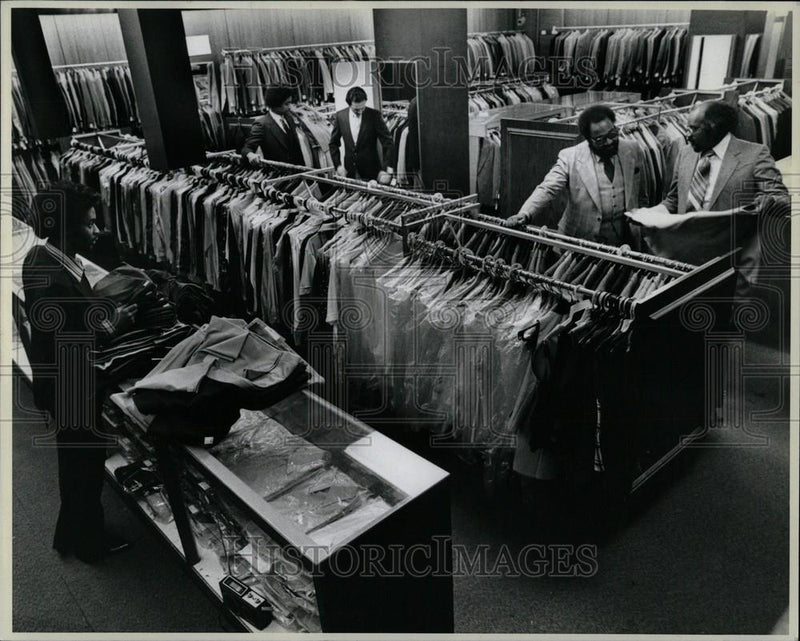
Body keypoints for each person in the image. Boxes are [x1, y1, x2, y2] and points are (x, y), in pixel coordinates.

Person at [22, 181, 138, 563]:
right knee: (85, 466)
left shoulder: (41, 257)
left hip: (58, 384)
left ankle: (69, 534)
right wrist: (114, 324)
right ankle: (90, 545)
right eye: (89, 223)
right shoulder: (57, 280)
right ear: (67, 228)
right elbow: (73, 340)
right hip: (71, 388)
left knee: (74, 463)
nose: (96, 230)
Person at [637, 100, 790, 289]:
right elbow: (674, 199)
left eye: (694, 129)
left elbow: (781, 198)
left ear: (715, 128)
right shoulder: (685, 154)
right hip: (684, 257)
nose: (687, 135)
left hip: (730, 262)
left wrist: (762, 203)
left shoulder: (754, 154)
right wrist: (652, 213)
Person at [504, 104, 650, 248]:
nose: (609, 142)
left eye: (612, 134)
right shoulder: (570, 157)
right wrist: (525, 213)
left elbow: (642, 195)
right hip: (577, 242)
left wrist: (641, 229)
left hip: (623, 243)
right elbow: (547, 188)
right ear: (589, 139)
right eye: (600, 140)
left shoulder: (632, 149)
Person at [329, 86, 395, 182]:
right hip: (349, 171)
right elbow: (333, 144)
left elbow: (388, 142)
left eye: (362, 108)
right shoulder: (340, 117)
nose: (360, 111)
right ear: (349, 104)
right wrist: (338, 166)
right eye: (356, 109)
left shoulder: (374, 115)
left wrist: (387, 169)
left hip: (372, 171)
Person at [241, 86, 305, 166]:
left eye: (290, 103)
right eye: (286, 104)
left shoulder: (289, 118)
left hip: (298, 169)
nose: (290, 107)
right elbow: (247, 148)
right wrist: (250, 155)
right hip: (277, 170)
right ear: (275, 104)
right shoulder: (262, 124)